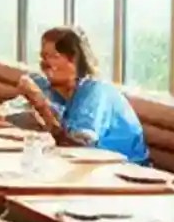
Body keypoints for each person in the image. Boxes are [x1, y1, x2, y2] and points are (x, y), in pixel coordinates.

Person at [17, 26, 150, 164]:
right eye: (44, 56)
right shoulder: (53, 89)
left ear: (74, 60)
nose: (45, 64)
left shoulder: (95, 92)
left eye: (54, 57)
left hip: (124, 172)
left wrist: (42, 107)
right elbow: (14, 118)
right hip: (90, 170)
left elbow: (79, 148)